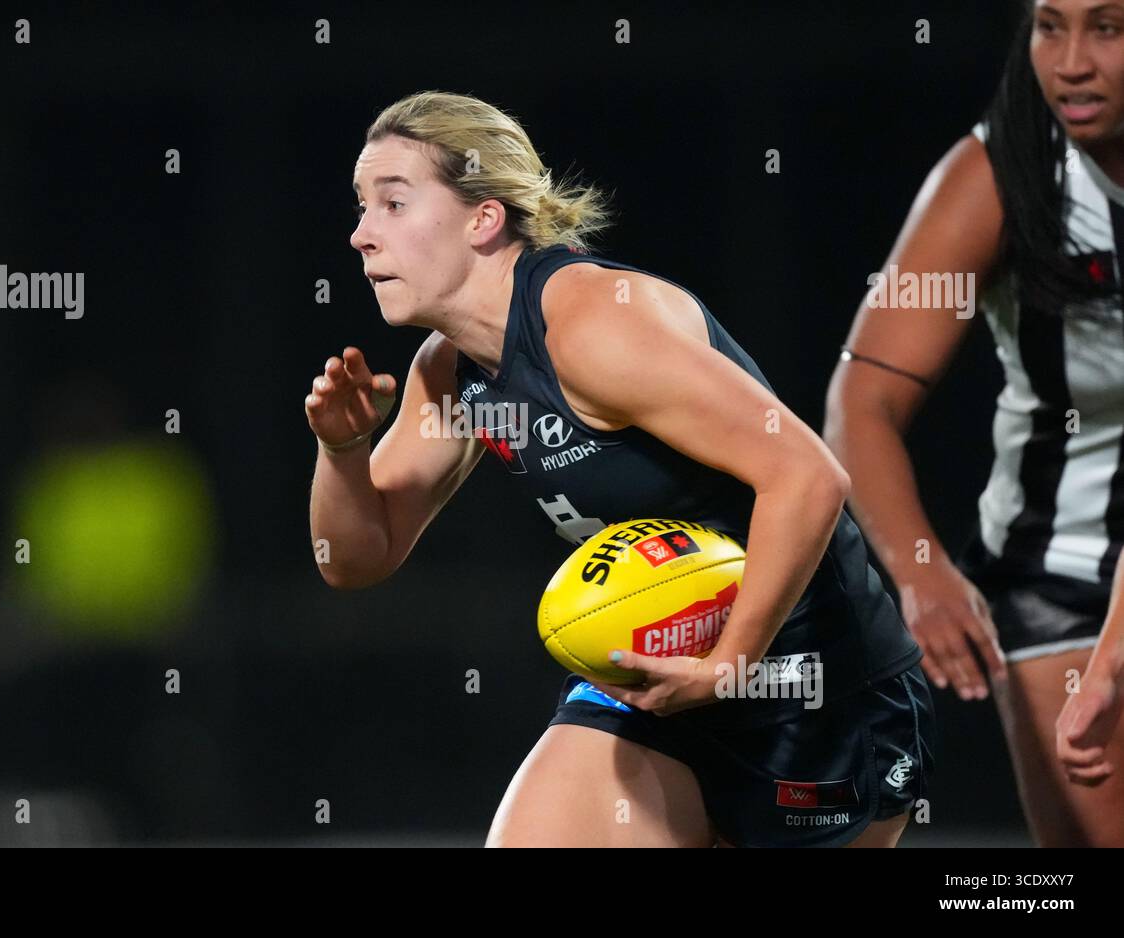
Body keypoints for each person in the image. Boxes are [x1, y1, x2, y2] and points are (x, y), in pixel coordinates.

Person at [308, 90, 933, 847]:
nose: (360, 235)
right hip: (653, 683)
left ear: (484, 217)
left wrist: (729, 665)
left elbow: (809, 477)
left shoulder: (589, 324)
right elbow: (353, 559)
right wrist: (343, 451)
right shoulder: (450, 371)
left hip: (815, 686)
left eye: (392, 203)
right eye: (361, 206)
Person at [824, 0, 1124, 847]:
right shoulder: (994, 179)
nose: (1068, 62)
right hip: (1057, 576)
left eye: (1108, 28)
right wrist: (919, 572)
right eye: (1048, 25)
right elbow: (863, 398)